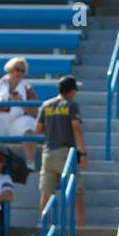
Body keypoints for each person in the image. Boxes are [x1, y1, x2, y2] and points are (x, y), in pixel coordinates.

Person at [31, 75, 86, 221]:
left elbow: (37, 129)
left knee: (46, 193)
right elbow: (76, 129)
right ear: (71, 90)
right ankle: (80, 228)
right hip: (66, 153)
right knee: (76, 192)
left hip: (47, 153)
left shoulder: (46, 105)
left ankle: (42, 226)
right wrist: (83, 153)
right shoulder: (71, 105)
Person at [0, 57, 38, 164]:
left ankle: (30, 164)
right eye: (17, 69)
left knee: (29, 124)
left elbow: (35, 113)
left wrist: (22, 104)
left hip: (18, 121)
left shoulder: (27, 89)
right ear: (10, 69)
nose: (20, 73)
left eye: (23, 71)